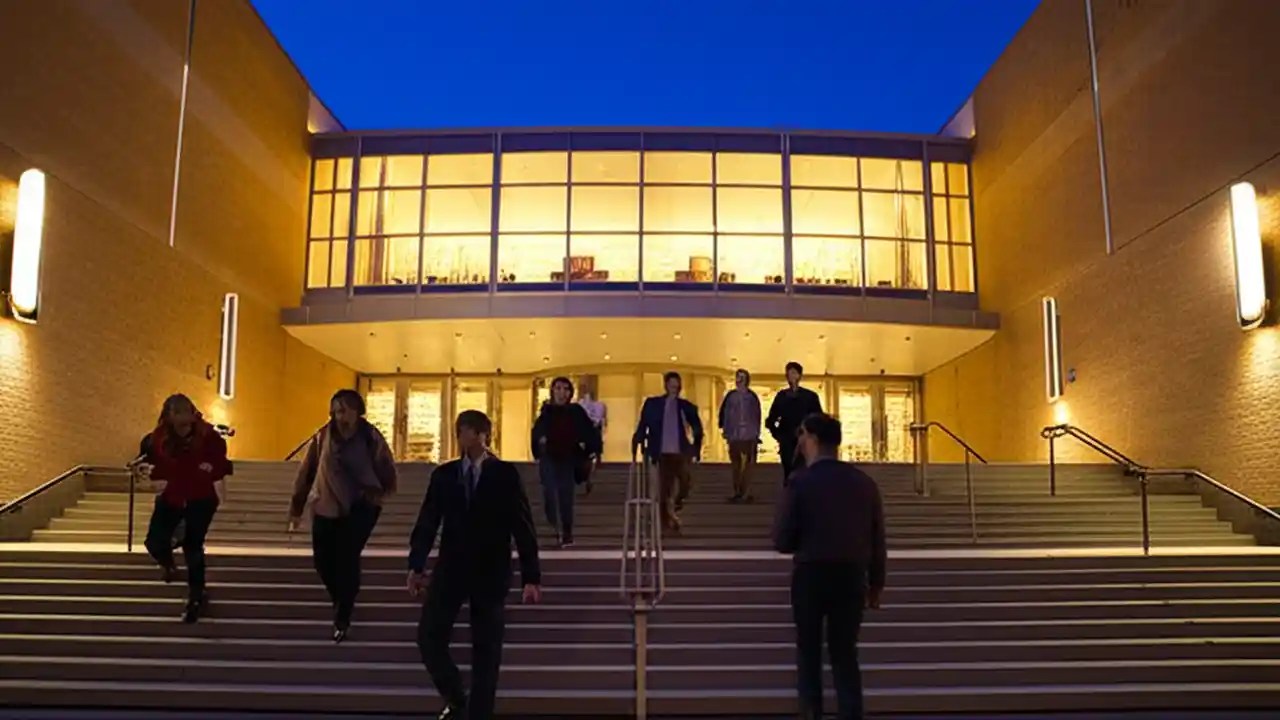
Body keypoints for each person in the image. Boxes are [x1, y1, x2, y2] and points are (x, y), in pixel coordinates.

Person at [409, 410, 542, 720]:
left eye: (471, 432)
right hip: (450, 569)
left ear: (485, 437)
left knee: (487, 650)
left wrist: (531, 576)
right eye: (461, 432)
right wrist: (417, 564)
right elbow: (428, 522)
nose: (465, 438)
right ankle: (456, 698)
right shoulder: (444, 476)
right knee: (429, 636)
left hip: (490, 570)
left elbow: (523, 526)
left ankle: (479, 714)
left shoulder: (505, 475)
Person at [773, 413, 887, 720]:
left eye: (801, 436)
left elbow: (782, 539)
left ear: (811, 439)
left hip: (811, 574)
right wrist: (876, 584)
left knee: (809, 653)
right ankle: (851, 713)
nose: (799, 441)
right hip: (851, 576)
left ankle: (812, 713)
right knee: (845, 653)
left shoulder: (800, 482)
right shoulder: (864, 484)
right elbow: (878, 538)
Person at [289, 389, 398, 643]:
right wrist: (296, 507)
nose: (341, 416)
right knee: (323, 561)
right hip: (325, 504)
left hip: (363, 506)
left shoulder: (370, 437)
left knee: (347, 556)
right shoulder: (323, 437)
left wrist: (379, 491)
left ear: (358, 412)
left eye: (346, 410)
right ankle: (341, 598)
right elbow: (307, 472)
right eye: (337, 411)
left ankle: (343, 614)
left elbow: (386, 467)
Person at [140, 394, 231, 624]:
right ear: (169, 417)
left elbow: (221, 465)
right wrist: (144, 470)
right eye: (177, 416)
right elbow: (151, 462)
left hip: (201, 497)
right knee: (153, 541)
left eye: (186, 417)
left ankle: (196, 595)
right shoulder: (158, 438)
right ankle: (168, 561)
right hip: (173, 495)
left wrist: (214, 477)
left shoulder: (208, 436)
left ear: (192, 416)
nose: (183, 423)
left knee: (193, 545)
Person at [531, 376, 601, 547]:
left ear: (570, 393)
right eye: (558, 389)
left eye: (565, 389)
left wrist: (591, 450)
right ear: (552, 391)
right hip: (549, 457)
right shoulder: (546, 412)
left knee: (565, 496)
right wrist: (540, 443)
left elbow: (590, 432)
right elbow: (537, 432)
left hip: (568, 458)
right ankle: (555, 526)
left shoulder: (576, 411)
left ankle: (566, 532)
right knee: (550, 492)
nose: (561, 393)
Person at [632, 371, 704, 531]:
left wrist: (696, 448)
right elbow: (643, 424)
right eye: (671, 385)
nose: (674, 388)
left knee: (686, 481)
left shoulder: (686, 407)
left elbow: (698, 429)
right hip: (661, 452)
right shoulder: (653, 404)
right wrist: (638, 440)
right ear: (666, 385)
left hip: (681, 451)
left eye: (677, 386)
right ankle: (667, 520)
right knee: (664, 488)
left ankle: (675, 505)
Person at [765, 361, 824, 480]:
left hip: (804, 436)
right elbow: (772, 417)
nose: (791, 376)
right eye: (789, 373)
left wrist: (813, 434)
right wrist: (777, 434)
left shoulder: (810, 396)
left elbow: (817, 417)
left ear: (799, 375)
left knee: (804, 467)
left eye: (794, 373)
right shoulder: (782, 396)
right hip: (787, 437)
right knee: (788, 467)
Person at [717, 368, 762, 503]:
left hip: (749, 435)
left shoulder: (752, 397)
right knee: (736, 464)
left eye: (742, 377)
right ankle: (737, 490)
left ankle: (745, 492)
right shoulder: (731, 396)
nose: (739, 380)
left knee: (748, 465)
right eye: (738, 377)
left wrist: (756, 433)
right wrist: (726, 430)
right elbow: (724, 414)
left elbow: (756, 415)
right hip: (734, 435)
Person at [576, 379, 607, 495]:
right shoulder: (579, 404)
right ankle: (586, 477)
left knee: (590, 454)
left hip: (592, 430)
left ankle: (593, 467)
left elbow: (600, 419)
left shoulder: (599, 405)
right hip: (583, 431)